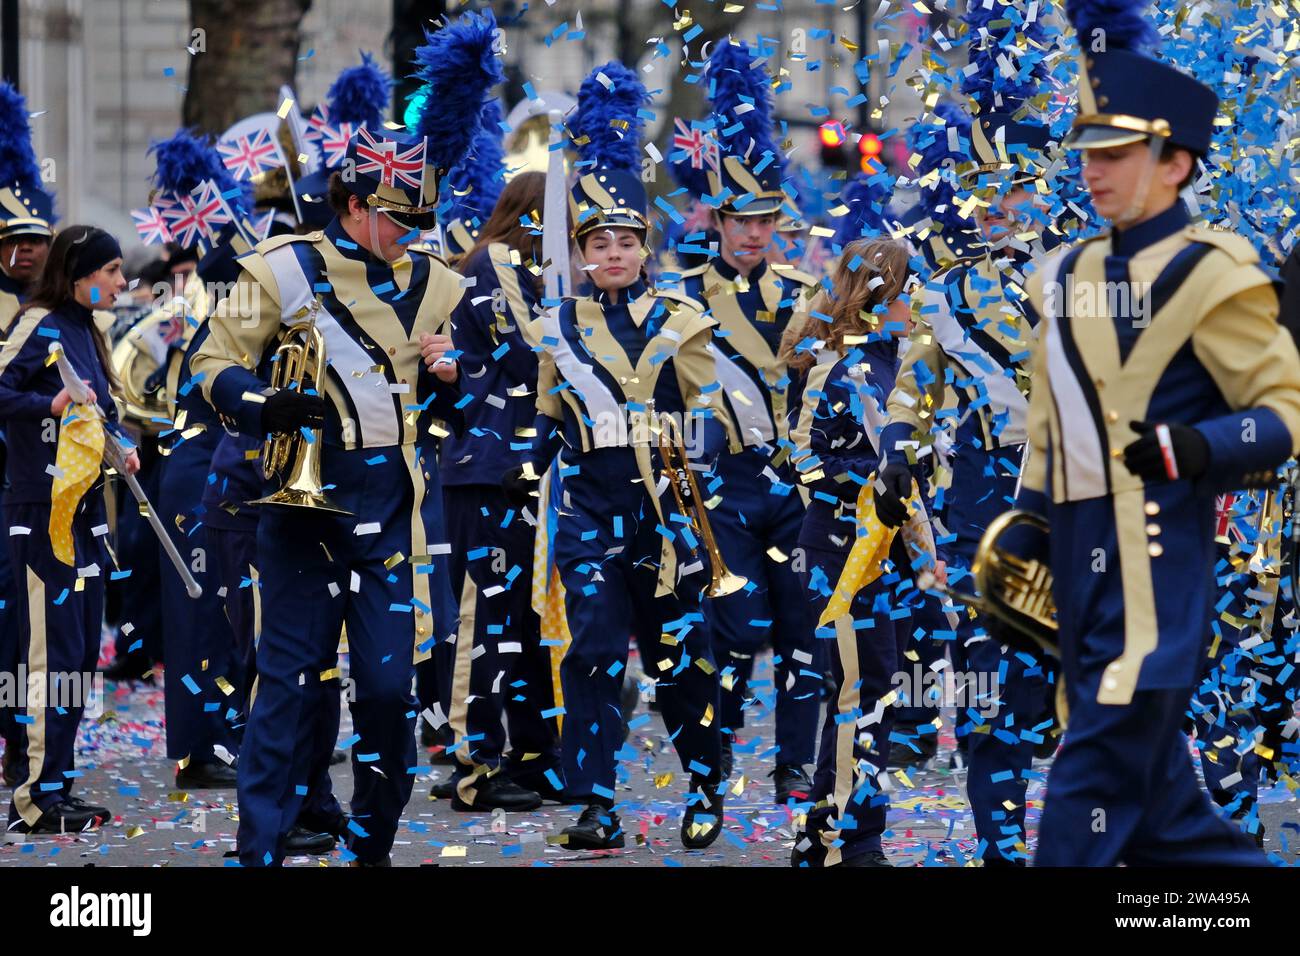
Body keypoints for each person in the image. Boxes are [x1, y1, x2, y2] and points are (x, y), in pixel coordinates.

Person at [191, 9, 504, 866]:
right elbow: (206, 364)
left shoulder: (438, 281)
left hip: (389, 504)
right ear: (356, 204)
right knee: (285, 687)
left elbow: (461, 409)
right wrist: (267, 404)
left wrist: (448, 387)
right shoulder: (281, 266)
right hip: (299, 507)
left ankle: (372, 841)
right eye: (398, 219)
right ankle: (259, 847)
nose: (412, 236)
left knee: (390, 690)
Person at [1017, 0, 1300, 865]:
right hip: (1072, 566)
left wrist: (1199, 447)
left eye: (1116, 155)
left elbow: (1284, 412)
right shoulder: (1059, 272)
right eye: (1088, 154)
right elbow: (1048, 421)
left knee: (1086, 793)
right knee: (1169, 828)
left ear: (1175, 163)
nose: (1093, 173)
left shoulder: (1214, 273)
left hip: (1153, 574)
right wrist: (1024, 533)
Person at [501, 61, 731, 851]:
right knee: (594, 650)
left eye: (626, 241)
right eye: (598, 242)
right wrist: (524, 476)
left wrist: (699, 485)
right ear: (583, 249)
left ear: (644, 248)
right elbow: (545, 414)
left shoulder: (682, 315)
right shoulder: (556, 324)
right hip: (590, 500)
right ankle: (595, 800)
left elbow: (712, 415)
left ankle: (706, 786)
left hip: (666, 508)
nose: (612, 254)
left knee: (679, 656)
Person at [872, 0, 1059, 862]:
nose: (1005, 206)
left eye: (1019, 187)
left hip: (1092, 493)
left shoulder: (1095, 275)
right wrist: (900, 446)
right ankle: (1000, 841)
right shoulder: (945, 296)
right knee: (997, 677)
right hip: (990, 496)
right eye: (990, 192)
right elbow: (915, 389)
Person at [674, 39, 822, 802]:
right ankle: (719, 741)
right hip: (722, 479)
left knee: (802, 627)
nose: (755, 234)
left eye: (767, 219)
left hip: (795, 479)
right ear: (718, 220)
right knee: (732, 631)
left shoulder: (809, 292)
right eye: (742, 220)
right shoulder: (683, 294)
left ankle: (796, 761)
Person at [784, 237, 935, 866]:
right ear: (880, 291)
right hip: (843, 547)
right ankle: (842, 840)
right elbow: (803, 455)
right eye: (909, 287)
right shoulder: (834, 359)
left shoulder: (911, 361)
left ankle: (830, 832)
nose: (920, 301)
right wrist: (877, 479)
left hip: (892, 550)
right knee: (857, 692)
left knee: (873, 690)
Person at [427, 170, 561, 811]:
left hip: (523, 464)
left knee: (530, 618)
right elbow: (533, 347)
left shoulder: (529, 269)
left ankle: (532, 753)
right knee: (487, 616)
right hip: (487, 464)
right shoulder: (497, 263)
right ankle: (476, 764)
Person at [0, 225, 141, 832]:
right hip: (39, 511)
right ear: (80, 273)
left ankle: (56, 784)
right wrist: (46, 407)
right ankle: (32, 796)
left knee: (83, 653)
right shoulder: (39, 321)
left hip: (84, 512)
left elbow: (96, 415)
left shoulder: (87, 330)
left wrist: (123, 445)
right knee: (47, 655)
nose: (121, 282)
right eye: (111, 271)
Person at [0, 79, 56, 790]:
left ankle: (22, 741)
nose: (27, 253)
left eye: (38, 242)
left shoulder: (49, 311)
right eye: (15, 243)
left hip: (25, 483)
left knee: (20, 622)